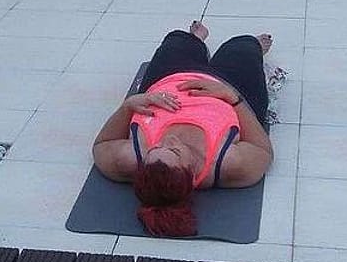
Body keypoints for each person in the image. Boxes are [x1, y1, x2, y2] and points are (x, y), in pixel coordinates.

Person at [93, 21, 275, 236]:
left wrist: (127, 106)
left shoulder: (129, 160)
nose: (167, 140)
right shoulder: (227, 164)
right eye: (175, 151)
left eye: (155, 148)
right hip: (230, 84)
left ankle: (196, 40)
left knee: (177, 39)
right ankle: (253, 48)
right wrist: (232, 98)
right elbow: (263, 150)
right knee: (242, 44)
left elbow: (101, 145)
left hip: (170, 78)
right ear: (192, 173)